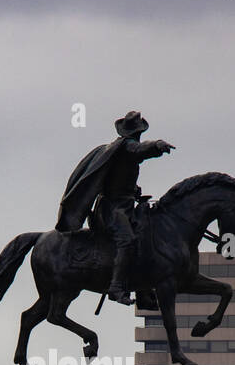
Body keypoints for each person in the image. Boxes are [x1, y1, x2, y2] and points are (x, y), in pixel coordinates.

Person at [55, 111, 174, 304]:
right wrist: (157, 145)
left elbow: (119, 178)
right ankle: (116, 288)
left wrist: (134, 190)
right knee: (126, 240)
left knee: (148, 234)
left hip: (125, 206)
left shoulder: (121, 151)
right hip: (111, 209)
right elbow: (140, 150)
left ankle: (143, 290)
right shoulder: (126, 147)